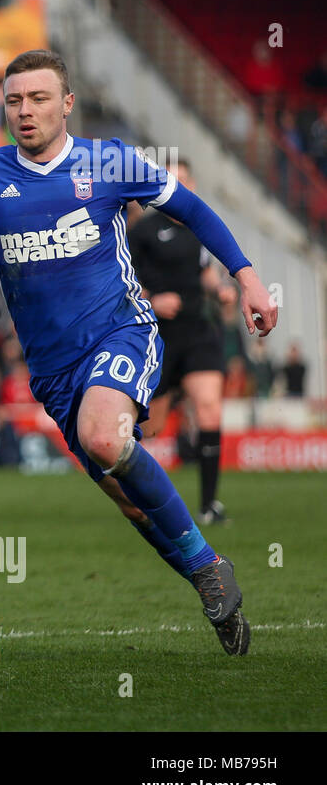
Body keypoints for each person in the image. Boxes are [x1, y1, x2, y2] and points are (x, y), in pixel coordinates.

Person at [0, 49, 278, 656]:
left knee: (104, 437)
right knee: (131, 501)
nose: (25, 111)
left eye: (39, 98)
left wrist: (246, 277)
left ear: (66, 104)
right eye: (14, 100)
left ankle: (205, 566)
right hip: (53, 371)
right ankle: (209, 577)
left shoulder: (109, 162)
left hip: (121, 331)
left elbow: (191, 209)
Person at [128, 158, 235, 524]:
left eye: (186, 180)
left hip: (196, 331)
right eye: (174, 181)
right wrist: (152, 301)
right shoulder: (142, 231)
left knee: (209, 408)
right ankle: (135, 499)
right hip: (157, 337)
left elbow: (204, 269)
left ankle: (208, 505)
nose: (181, 187)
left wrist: (221, 290)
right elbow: (123, 278)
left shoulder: (198, 225)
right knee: (148, 428)